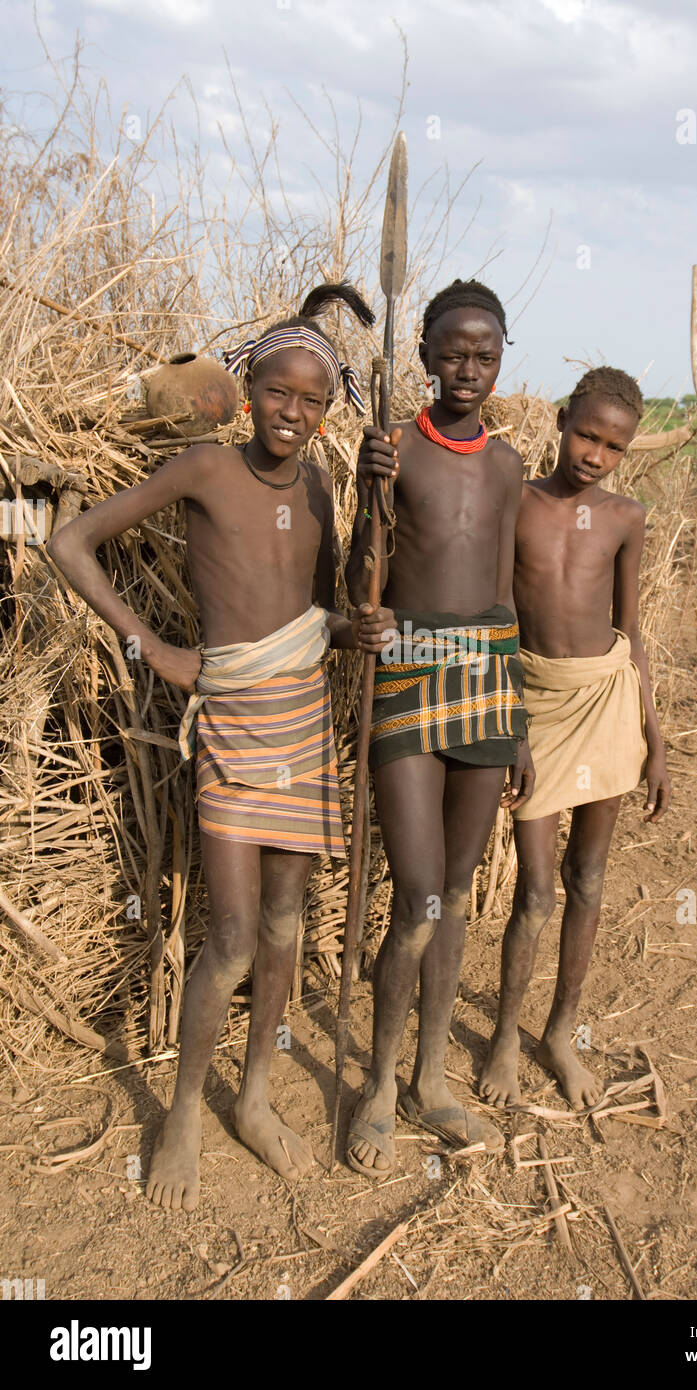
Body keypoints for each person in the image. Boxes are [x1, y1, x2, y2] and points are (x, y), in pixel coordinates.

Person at [48, 283, 391, 1210]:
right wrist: (148, 646)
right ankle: (183, 1118)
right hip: (235, 722)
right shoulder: (204, 467)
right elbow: (70, 542)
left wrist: (358, 622)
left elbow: (323, 605)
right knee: (234, 934)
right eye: (279, 392)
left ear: (328, 413)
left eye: (314, 401)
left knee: (283, 926)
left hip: (304, 717)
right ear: (250, 390)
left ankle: (254, 1100)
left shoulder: (321, 482)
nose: (295, 413)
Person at [343, 279, 534, 1177]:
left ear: (501, 361)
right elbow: (357, 581)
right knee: (418, 894)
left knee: (456, 894)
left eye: (485, 355)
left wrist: (519, 716)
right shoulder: (390, 454)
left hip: (488, 679)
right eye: (452, 351)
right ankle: (377, 1086)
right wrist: (366, 497)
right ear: (420, 353)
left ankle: (429, 1081)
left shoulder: (506, 463)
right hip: (410, 672)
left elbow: (501, 591)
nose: (468, 369)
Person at [479, 366, 671, 1112]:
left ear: (627, 452)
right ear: (561, 421)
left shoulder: (626, 518)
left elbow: (632, 633)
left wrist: (656, 738)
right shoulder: (517, 502)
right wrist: (511, 726)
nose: (594, 454)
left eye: (613, 445)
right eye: (586, 434)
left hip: (608, 699)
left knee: (588, 878)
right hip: (537, 700)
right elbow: (498, 616)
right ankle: (502, 1035)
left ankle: (560, 1033)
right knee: (535, 889)